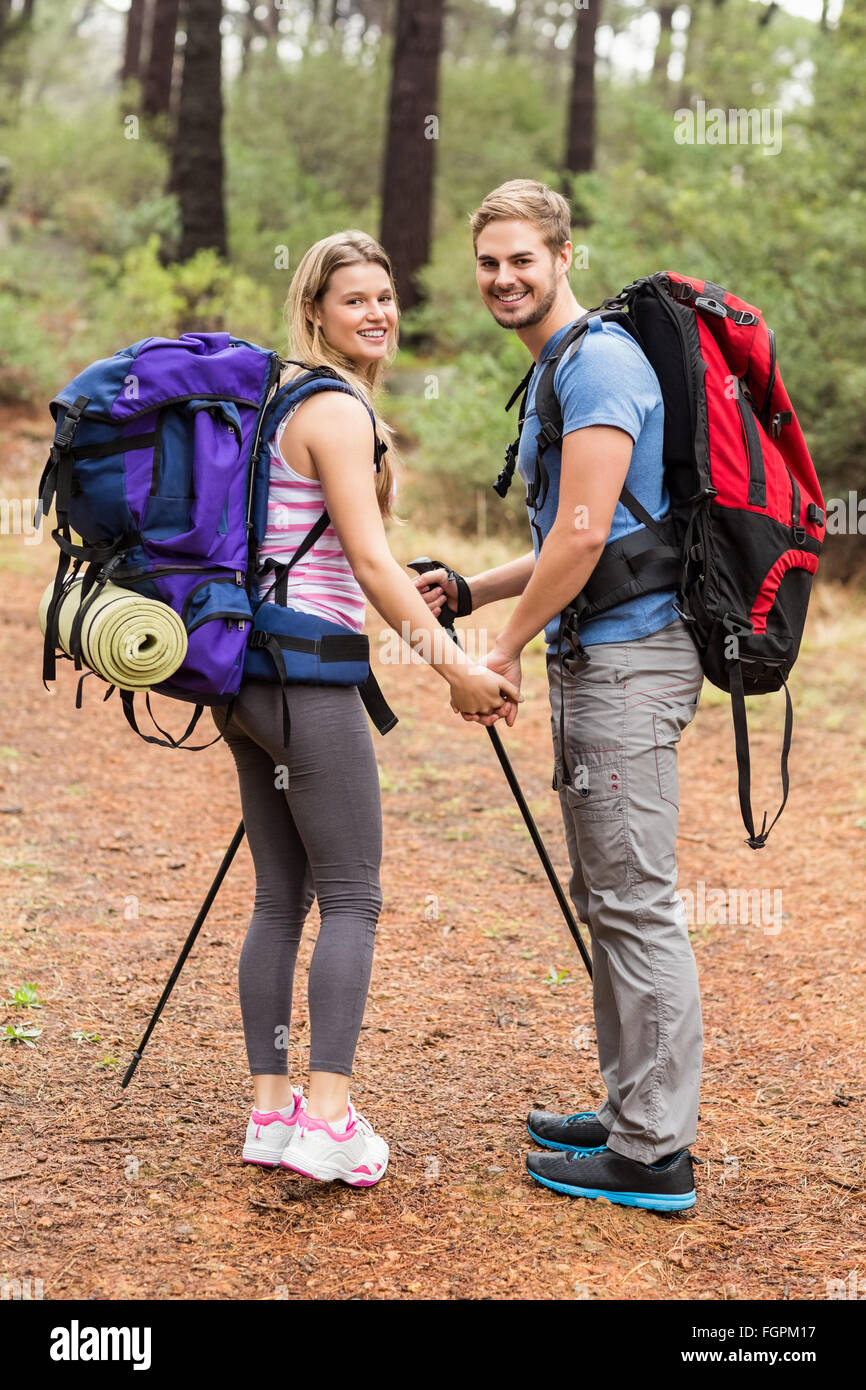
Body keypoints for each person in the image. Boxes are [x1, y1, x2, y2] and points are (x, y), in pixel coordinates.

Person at [414, 181, 704, 1211]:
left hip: (628, 666)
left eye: (520, 260)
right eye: (486, 262)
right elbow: (579, 533)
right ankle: (634, 1113)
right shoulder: (563, 366)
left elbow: (581, 540)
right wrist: (470, 587)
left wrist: (493, 650)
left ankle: (653, 1154)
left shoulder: (601, 363)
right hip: (599, 661)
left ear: (563, 255)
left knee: (632, 903)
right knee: (610, 899)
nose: (501, 278)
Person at [212, 230, 520, 1189]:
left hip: (247, 675)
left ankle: (271, 1113)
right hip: (310, 678)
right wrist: (457, 670)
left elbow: (333, 549)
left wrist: (400, 572)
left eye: (386, 297)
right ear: (316, 311)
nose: (378, 313)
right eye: (356, 300)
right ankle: (330, 1119)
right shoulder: (340, 410)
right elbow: (373, 566)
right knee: (351, 896)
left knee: (279, 895)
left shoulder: (276, 404)